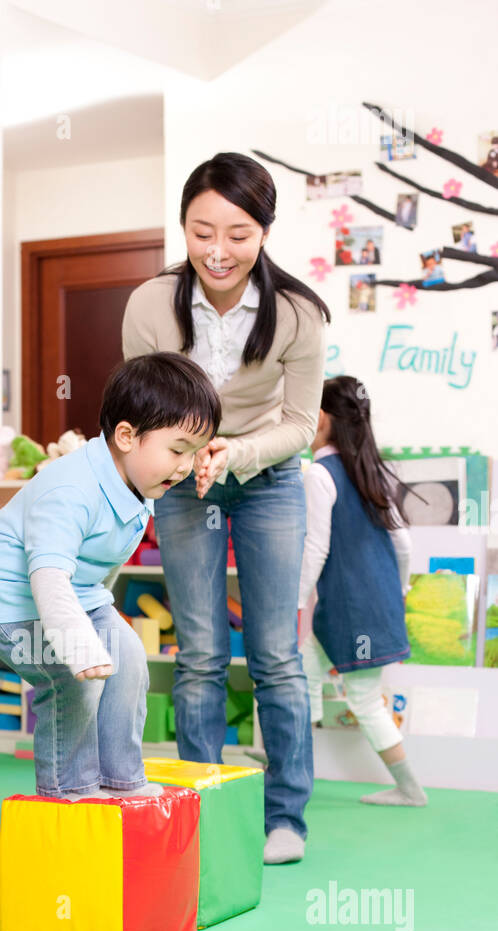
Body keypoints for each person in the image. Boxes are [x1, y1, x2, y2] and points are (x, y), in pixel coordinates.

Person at [122, 152, 329, 864]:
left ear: (264, 231)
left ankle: (286, 821)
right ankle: (200, 807)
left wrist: (234, 454)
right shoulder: (150, 305)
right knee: (203, 654)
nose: (217, 250)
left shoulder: (299, 313)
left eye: (237, 232)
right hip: (185, 480)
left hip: (268, 475)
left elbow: (301, 425)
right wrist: (180, 460)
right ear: (183, 227)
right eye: (201, 230)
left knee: (276, 655)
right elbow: (140, 405)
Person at [0, 353, 219, 800]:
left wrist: (101, 625)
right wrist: (78, 643)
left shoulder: (140, 483)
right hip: (6, 600)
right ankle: (70, 793)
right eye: (178, 450)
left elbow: (103, 569)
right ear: (125, 436)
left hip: (74, 596)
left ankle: (120, 780)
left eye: (194, 453)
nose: (184, 466)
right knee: (69, 677)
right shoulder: (71, 489)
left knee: (130, 657)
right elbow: (49, 577)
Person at [298, 375, 426, 808]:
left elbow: (315, 547)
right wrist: (401, 589)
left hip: (351, 610)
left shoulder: (320, 473)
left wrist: (293, 602)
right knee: (305, 668)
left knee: (364, 699)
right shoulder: (370, 471)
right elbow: (403, 543)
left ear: (321, 420)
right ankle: (294, 758)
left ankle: (409, 788)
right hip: (376, 604)